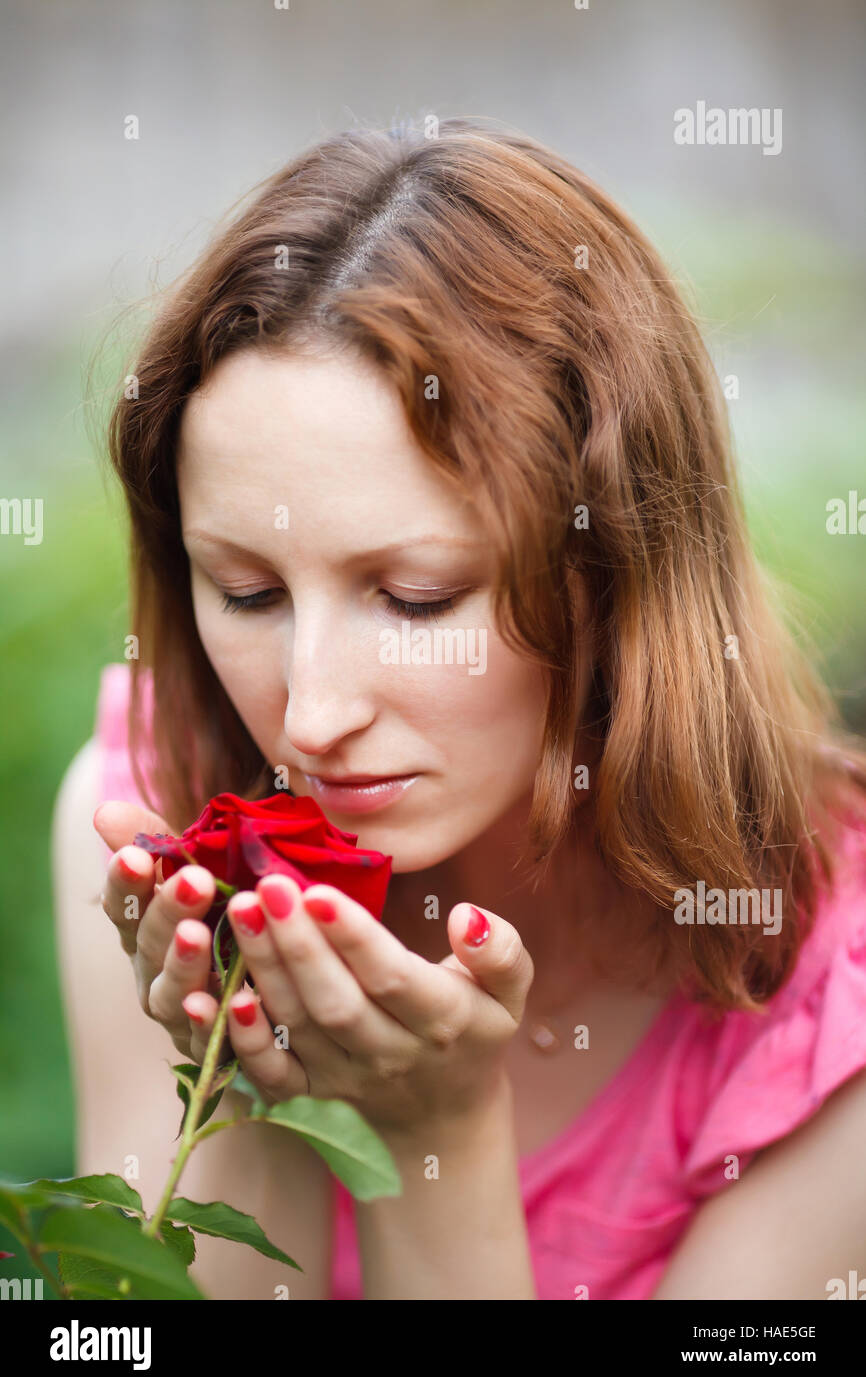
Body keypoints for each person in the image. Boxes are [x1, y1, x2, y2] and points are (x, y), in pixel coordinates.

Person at [54, 116, 866, 1300]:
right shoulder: (153, 828)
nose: (312, 714)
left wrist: (437, 1137)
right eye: (247, 590)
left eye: (418, 597)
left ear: (616, 575)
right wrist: (242, 1087)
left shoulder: (826, 999)